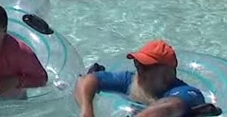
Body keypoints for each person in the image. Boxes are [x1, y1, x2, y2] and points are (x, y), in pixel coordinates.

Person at [73, 40, 207, 117]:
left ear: (167, 73)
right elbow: (86, 80)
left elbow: (169, 107)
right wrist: (87, 110)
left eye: (146, 66)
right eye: (137, 64)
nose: (139, 70)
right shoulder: (132, 81)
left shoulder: (186, 92)